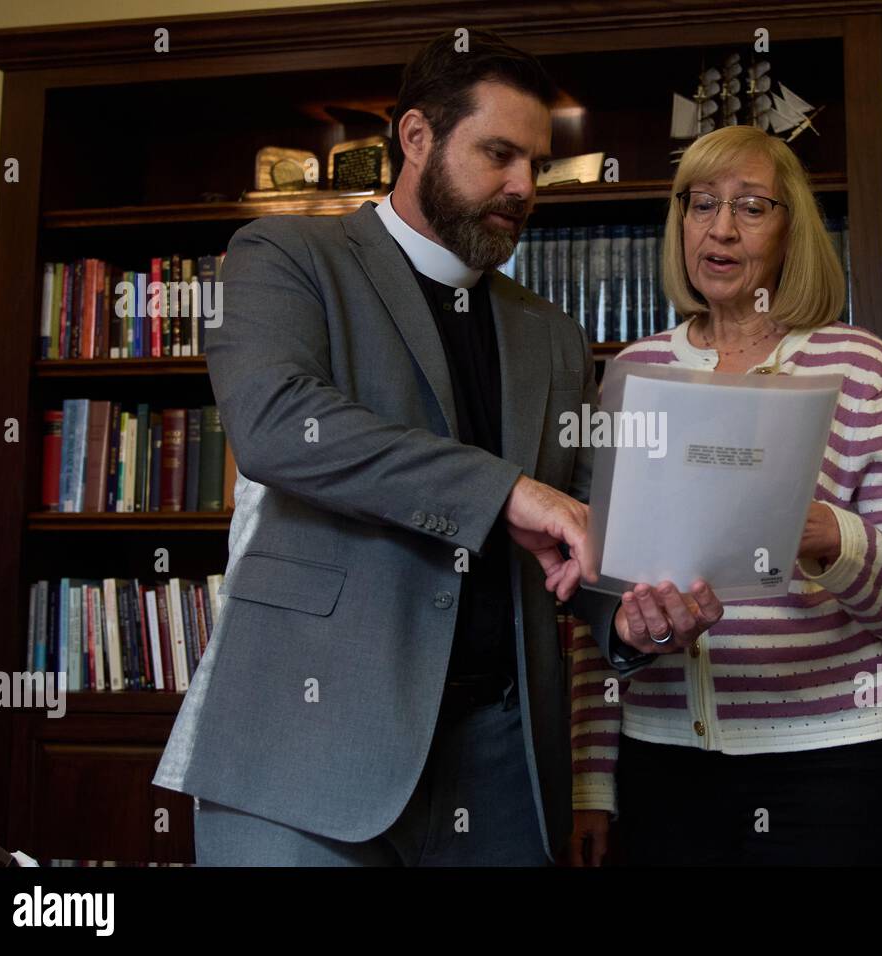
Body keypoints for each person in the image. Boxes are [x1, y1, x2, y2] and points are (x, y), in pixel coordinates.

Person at [153, 29, 721, 866]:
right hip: (306, 747)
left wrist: (636, 616)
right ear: (415, 136)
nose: (525, 186)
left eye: (537, 163)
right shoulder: (283, 255)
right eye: (499, 154)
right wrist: (507, 491)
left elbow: (584, 534)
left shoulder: (556, 336)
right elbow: (276, 423)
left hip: (503, 759)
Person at [568, 124, 882, 867]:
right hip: (665, 775)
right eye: (701, 204)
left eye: (752, 207)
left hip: (842, 771)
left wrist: (831, 539)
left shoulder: (863, 369)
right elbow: (595, 593)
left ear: (793, 230)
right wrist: (593, 783)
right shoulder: (633, 373)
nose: (721, 228)